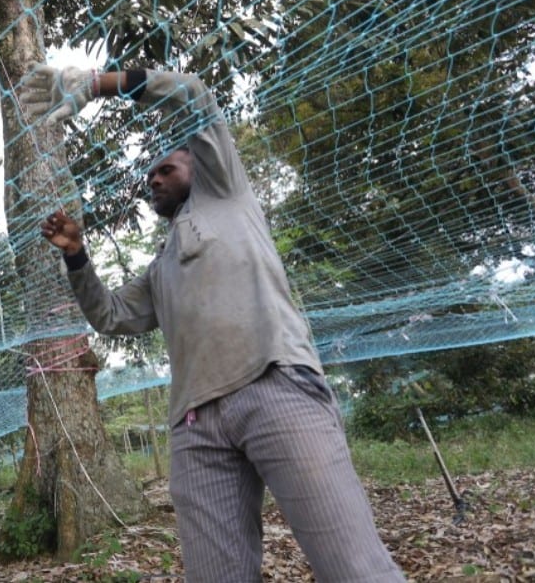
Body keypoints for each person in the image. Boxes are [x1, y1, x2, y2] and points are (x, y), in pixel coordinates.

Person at [24, 65, 404, 582]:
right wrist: (76, 256)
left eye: (166, 169)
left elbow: (192, 94)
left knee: (354, 568)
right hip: (195, 429)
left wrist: (96, 84)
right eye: (150, 177)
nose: (153, 179)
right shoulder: (160, 270)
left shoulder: (227, 192)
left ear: (200, 165)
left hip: (276, 388)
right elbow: (110, 315)